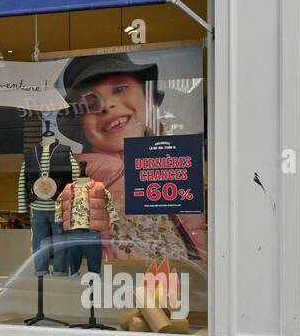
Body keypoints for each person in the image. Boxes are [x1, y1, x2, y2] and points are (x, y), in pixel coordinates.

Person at [56, 53, 207, 263]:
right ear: (81, 127)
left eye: (119, 89)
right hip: (122, 288)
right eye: (90, 105)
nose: (107, 105)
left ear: (149, 98)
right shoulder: (85, 186)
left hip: (183, 285)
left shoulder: (175, 161)